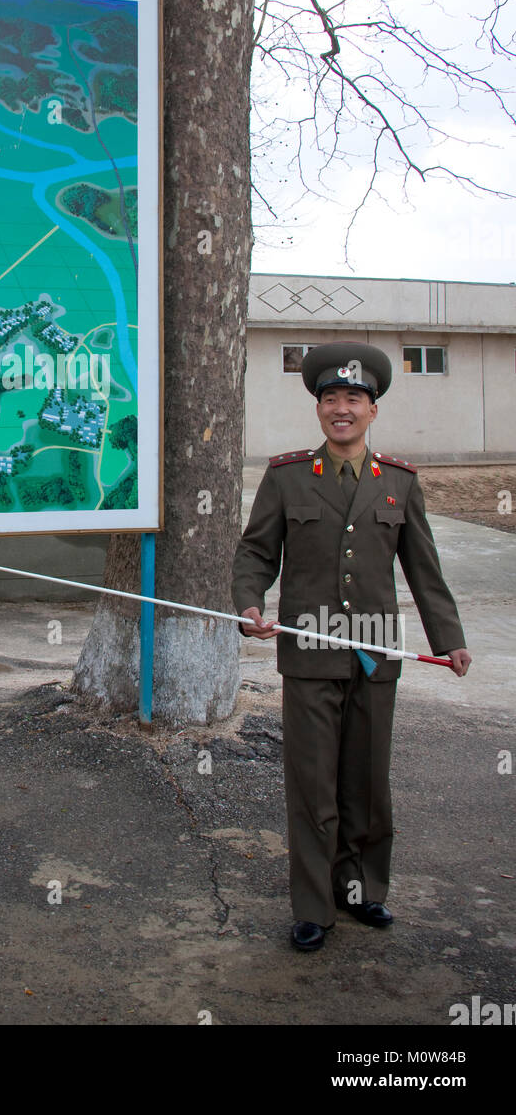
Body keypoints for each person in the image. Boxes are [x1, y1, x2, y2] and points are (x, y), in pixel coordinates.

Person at [231, 341, 471, 952]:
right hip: (309, 654)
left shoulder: (400, 482)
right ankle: (315, 907)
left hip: (375, 652)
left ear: (372, 410)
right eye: (331, 398)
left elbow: (425, 570)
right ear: (319, 409)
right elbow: (256, 551)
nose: (342, 409)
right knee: (314, 786)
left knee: (366, 784)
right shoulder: (286, 476)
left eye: (354, 399)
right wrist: (250, 606)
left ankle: (361, 890)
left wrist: (449, 640)